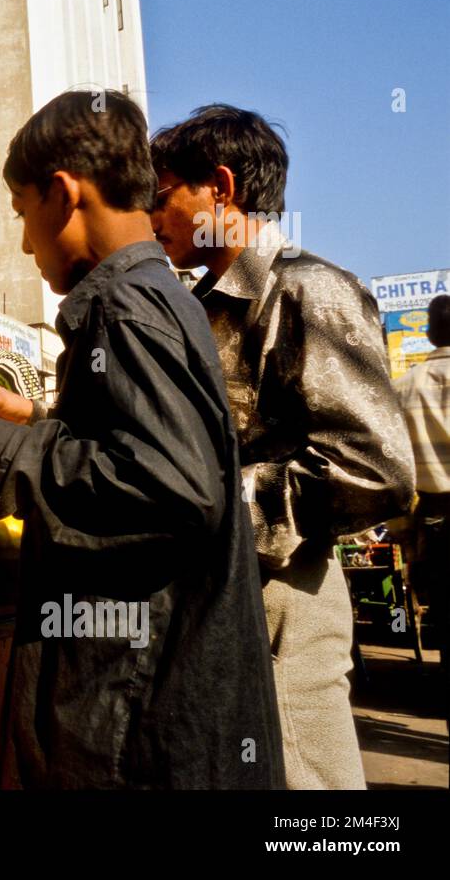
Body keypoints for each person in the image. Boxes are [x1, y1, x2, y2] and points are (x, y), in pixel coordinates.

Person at [0, 90, 284, 789]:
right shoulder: (159, 299)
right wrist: (38, 426)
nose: (21, 243)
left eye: (21, 214)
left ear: (64, 195)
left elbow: (173, 488)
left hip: (138, 736)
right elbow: (146, 448)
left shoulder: (127, 307)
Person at [150, 104, 416, 788]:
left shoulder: (308, 290)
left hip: (285, 594)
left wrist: (225, 497)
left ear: (221, 187)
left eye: (163, 193)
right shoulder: (203, 304)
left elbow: (378, 467)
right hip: (226, 590)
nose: (154, 215)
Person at [393, 294, 450, 673]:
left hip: (437, 525)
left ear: (428, 334)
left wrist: (402, 535)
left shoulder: (403, 389)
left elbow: (395, 472)